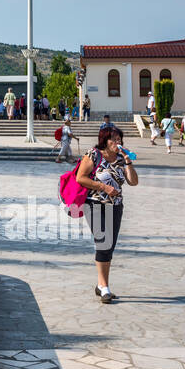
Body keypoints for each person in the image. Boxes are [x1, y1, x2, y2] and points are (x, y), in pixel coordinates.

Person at [76, 125, 138, 304]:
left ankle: (101, 285)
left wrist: (128, 161)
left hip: (116, 206)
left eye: (119, 139)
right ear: (105, 140)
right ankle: (104, 287)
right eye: (114, 139)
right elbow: (81, 178)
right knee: (103, 243)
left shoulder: (120, 158)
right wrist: (103, 187)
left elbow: (133, 182)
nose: (117, 143)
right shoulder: (93, 155)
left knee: (109, 246)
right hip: (94, 204)